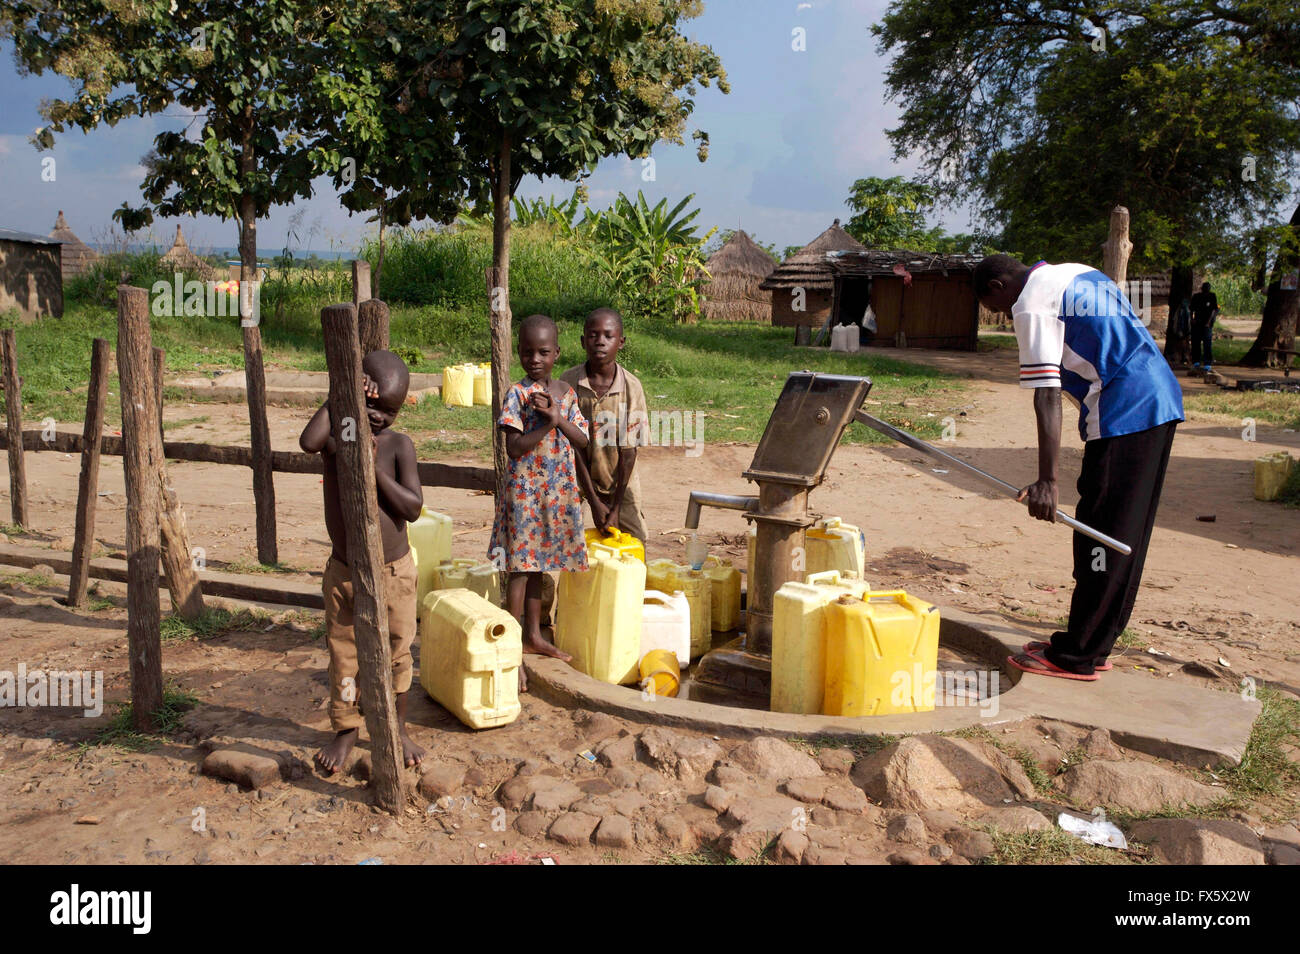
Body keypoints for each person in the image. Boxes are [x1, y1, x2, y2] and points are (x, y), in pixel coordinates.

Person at [974, 255, 1184, 681]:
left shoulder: (1031, 302)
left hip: (1125, 411)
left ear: (998, 286)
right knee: (1123, 535)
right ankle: (1092, 643)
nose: (1002, 314)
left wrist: (1048, 481)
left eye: (994, 307)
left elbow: (1046, 394)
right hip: (1157, 397)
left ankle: (1078, 655)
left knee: (1101, 536)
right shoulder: (1071, 272)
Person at [299, 350, 425, 772]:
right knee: (345, 654)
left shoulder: (396, 445)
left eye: (387, 410)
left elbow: (412, 508)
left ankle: (397, 726)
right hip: (344, 571)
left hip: (394, 571)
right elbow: (308, 441)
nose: (376, 416)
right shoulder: (341, 437)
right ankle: (346, 730)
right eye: (370, 403)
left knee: (397, 651)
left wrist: (373, 470)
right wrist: (341, 394)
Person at [490, 314, 589, 688]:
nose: (535, 359)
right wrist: (546, 423)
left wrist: (558, 417)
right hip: (526, 495)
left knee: (540, 565)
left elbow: (583, 440)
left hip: (557, 492)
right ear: (519, 353)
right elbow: (514, 448)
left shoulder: (566, 392)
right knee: (520, 568)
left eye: (543, 352)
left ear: (557, 353)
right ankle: (511, 648)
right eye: (527, 352)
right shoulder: (516, 395)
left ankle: (533, 636)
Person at [560, 307, 650, 545]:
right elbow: (572, 447)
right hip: (577, 476)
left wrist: (616, 507)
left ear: (620, 342)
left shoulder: (632, 387)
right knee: (567, 539)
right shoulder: (568, 382)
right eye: (593, 335)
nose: (600, 341)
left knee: (635, 540)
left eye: (608, 336)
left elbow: (629, 453)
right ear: (582, 341)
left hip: (621, 479)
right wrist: (593, 500)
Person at [1189, 281, 1219, 371]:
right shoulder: (1196, 296)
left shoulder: (1212, 296)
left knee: (1207, 344)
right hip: (1197, 323)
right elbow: (1191, 309)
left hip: (1207, 325)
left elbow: (1214, 310)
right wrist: (1192, 319)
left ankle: (1207, 363)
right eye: (1205, 287)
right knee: (1195, 343)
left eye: (1208, 287)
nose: (1206, 289)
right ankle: (1196, 362)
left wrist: (1209, 322)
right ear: (1202, 288)